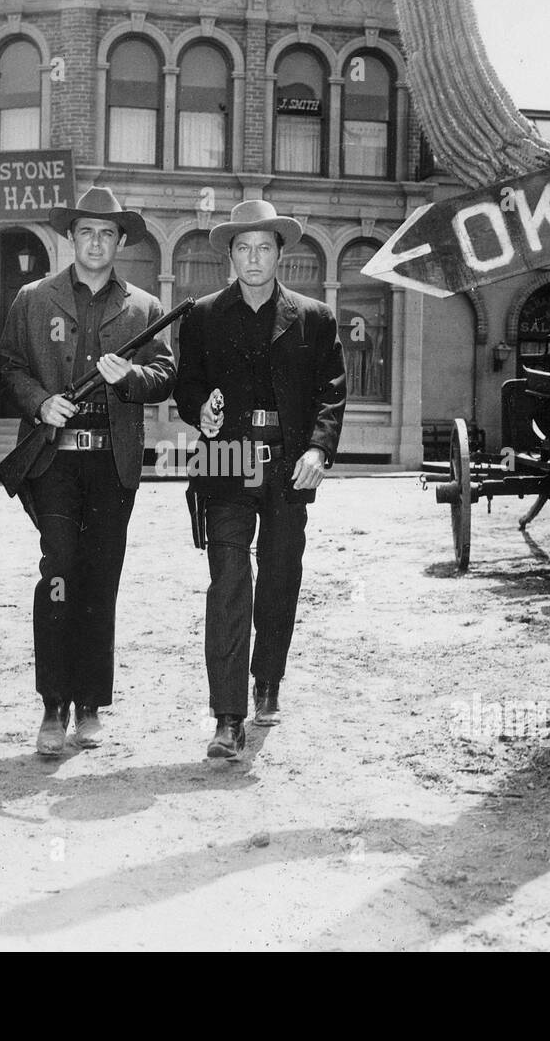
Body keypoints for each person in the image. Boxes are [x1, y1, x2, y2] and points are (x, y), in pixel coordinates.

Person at [0, 187, 176, 755]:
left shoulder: (145, 308)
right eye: (85, 233)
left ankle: (90, 705)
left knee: (100, 578)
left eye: (107, 234)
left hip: (111, 461)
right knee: (59, 572)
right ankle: (53, 703)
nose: (96, 243)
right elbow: (12, 367)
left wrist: (130, 379)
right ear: (69, 238)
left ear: (120, 241)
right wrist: (40, 403)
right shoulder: (32, 298)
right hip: (53, 459)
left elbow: (166, 374)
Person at [174, 200, 346, 759]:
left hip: (288, 461)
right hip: (226, 461)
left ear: (280, 256)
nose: (254, 258)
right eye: (243, 248)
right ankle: (227, 717)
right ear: (230, 255)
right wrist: (200, 410)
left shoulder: (314, 318)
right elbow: (187, 386)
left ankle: (267, 680)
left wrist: (320, 449)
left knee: (279, 572)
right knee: (227, 578)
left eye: (264, 248)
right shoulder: (201, 315)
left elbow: (332, 391)